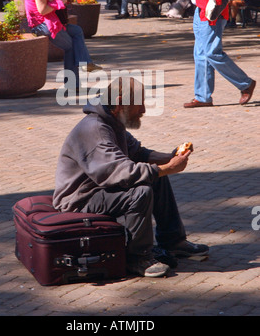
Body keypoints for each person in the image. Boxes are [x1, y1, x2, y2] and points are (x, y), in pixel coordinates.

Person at [53, 76, 209, 278]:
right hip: (80, 199)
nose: (143, 110)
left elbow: (138, 153)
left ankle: (173, 242)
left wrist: (169, 158)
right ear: (119, 103)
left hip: (99, 189)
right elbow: (118, 172)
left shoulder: (113, 121)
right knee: (140, 191)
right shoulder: (95, 129)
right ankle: (138, 259)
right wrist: (165, 168)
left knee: (156, 175)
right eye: (139, 104)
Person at [23, 0, 102, 88]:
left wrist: (55, 1)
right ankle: (74, 82)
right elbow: (42, 10)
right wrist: (59, 1)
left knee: (76, 30)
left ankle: (85, 65)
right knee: (71, 47)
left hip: (44, 24)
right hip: (44, 25)